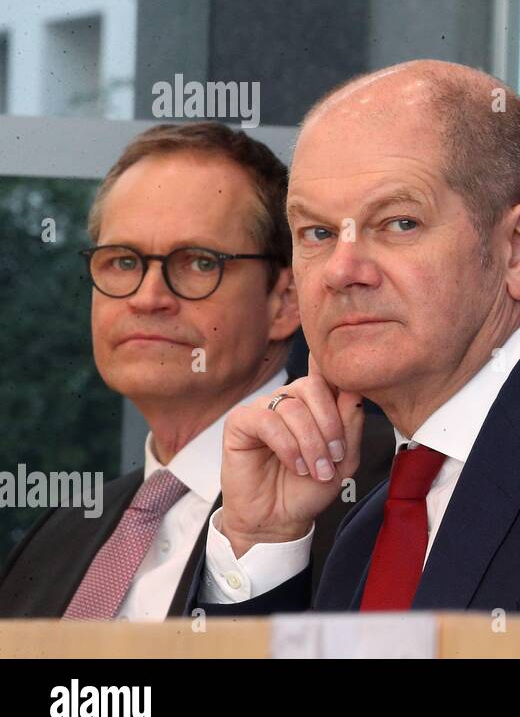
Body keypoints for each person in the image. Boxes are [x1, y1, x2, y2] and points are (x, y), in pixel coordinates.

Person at [194, 60, 520, 615]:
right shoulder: (367, 516)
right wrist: (263, 537)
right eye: (318, 233)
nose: (340, 270)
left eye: (399, 223)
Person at [0, 122, 391, 620]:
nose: (148, 298)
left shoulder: (385, 492)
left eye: (199, 263)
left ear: (284, 300)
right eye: (122, 262)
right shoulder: (56, 537)